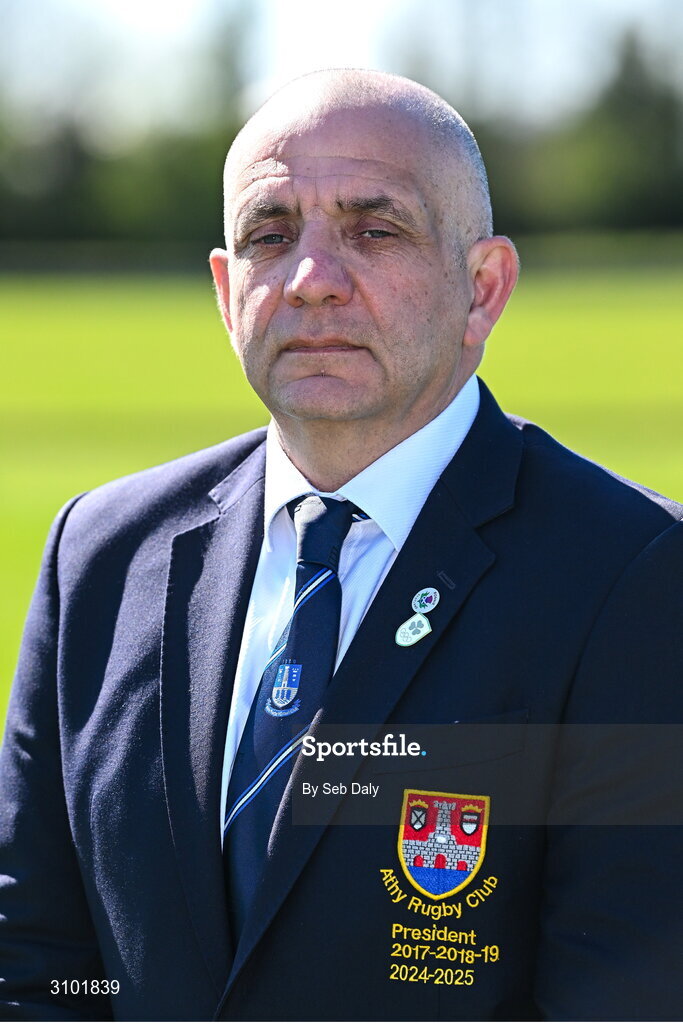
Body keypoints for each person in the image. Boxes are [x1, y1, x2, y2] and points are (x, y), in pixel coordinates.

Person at [1, 68, 682, 1022]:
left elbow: (624, 999)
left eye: (375, 229)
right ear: (225, 287)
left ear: (482, 288)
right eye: (269, 236)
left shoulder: (636, 575)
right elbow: (41, 966)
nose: (312, 280)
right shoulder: (101, 557)